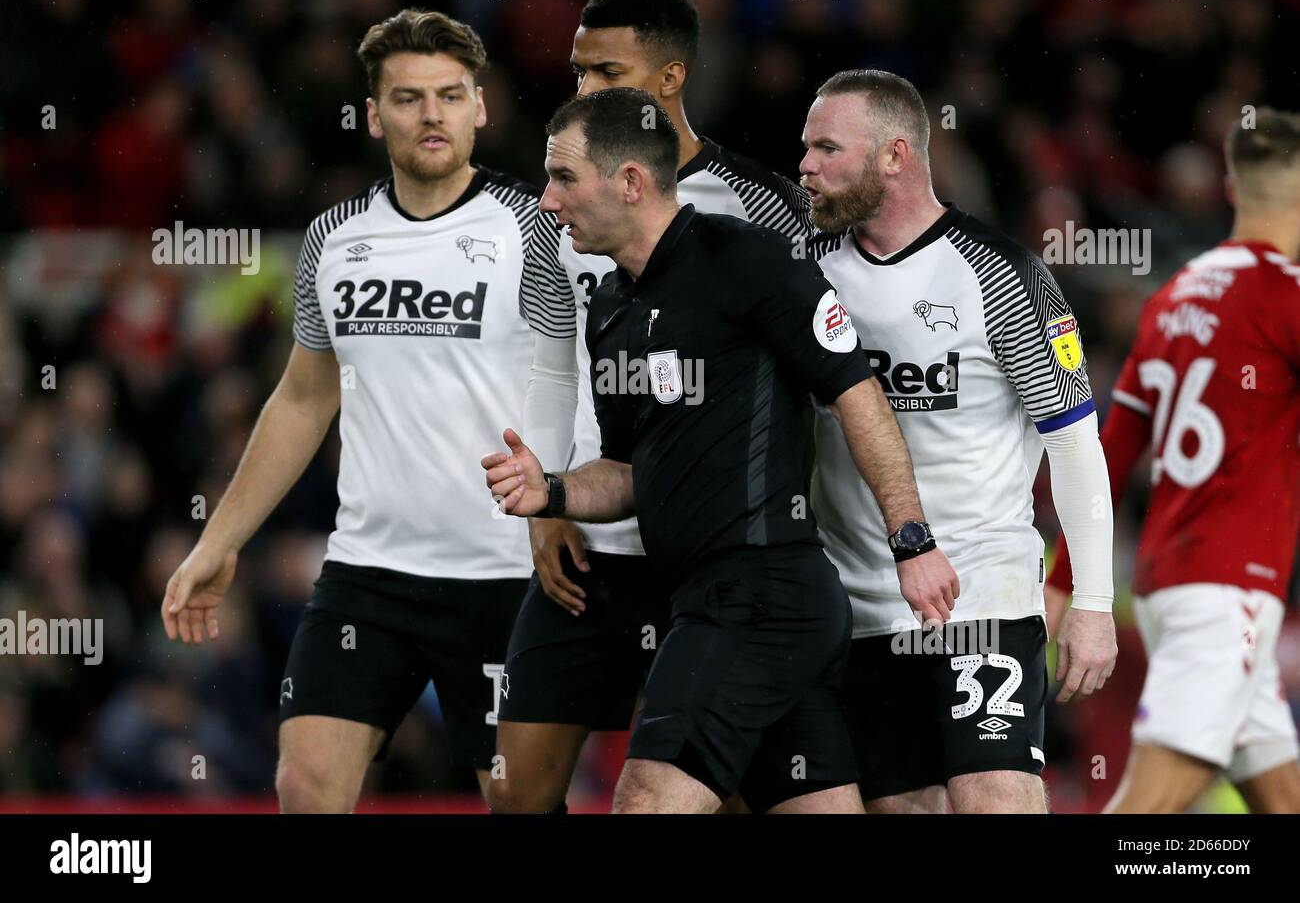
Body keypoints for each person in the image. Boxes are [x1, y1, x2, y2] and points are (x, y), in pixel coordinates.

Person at [483, 87, 960, 813]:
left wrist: (911, 538)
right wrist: (549, 490)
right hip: (710, 601)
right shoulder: (611, 309)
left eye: (564, 178)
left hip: (759, 594)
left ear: (632, 182)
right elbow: (631, 475)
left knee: (646, 799)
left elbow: (855, 393)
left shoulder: (745, 258)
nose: (547, 202)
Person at [161, 9, 539, 811]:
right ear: (374, 115)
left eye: (449, 95)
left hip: (505, 575)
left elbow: (581, 386)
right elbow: (302, 399)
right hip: (370, 573)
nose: (431, 114)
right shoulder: (336, 237)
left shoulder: (536, 231)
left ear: (481, 107)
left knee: (521, 801)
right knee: (304, 784)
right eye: (408, 98)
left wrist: (578, 512)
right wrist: (218, 543)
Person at [495, 0, 814, 814]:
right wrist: (550, 501)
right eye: (577, 73)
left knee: (718, 791)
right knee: (514, 791)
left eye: (607, 74)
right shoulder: (555, 210)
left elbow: (815, 377)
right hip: (594, 547)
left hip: (717, 556)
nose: (584, 91)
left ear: (670, 79)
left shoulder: (764, 207)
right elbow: (552, 359)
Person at [801, 69, 1117, 813]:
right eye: (805, 148)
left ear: (894, 156)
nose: (806, 167)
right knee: (905, 808)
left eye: (826, 148)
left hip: (983, 591)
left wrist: (1094, 603)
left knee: (995, 797)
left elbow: (1074, 444)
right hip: (857, 604)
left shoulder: (1000, 276)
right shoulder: (804, 273)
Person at [1048, 107, 1300, 814]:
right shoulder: (1285, 297)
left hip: (1168, 582)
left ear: (1230, 189)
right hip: (1229, 589)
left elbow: (1113, 447)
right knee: (1145, 810)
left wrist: (1066, 580)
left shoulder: (1172, 299)